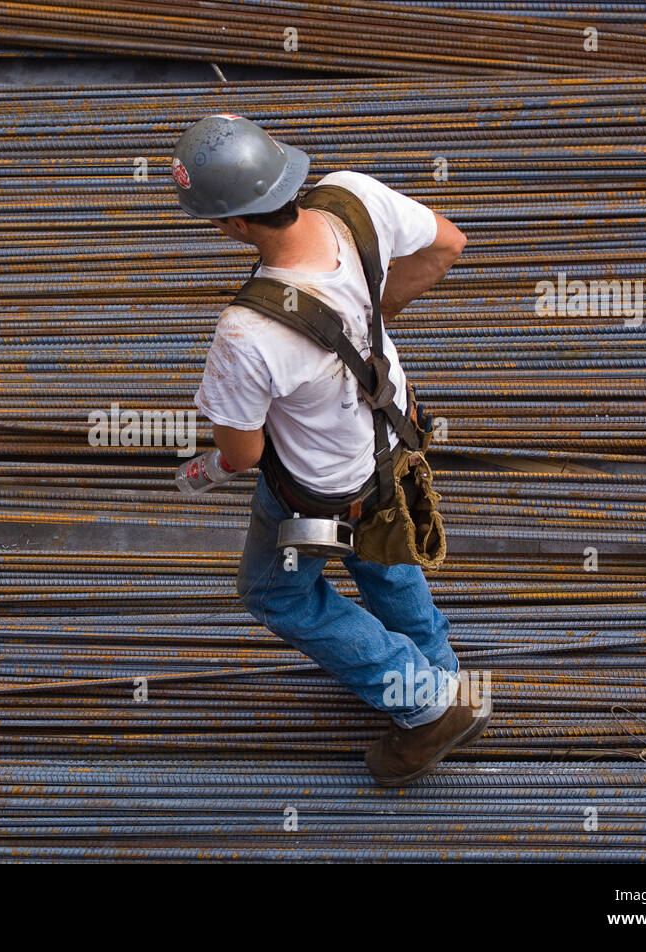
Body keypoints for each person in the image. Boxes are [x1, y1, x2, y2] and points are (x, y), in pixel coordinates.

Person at [172, 114, 489, 786]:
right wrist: (362, 325)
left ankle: (424, 702)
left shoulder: (248, 330)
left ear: (232, 224)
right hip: (395, 440)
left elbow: (245, 453)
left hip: (320, 493)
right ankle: (442, 671)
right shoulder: (353, 197)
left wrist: (201, 471)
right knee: (386, 548)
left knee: (274, 593)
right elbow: (448, 245)